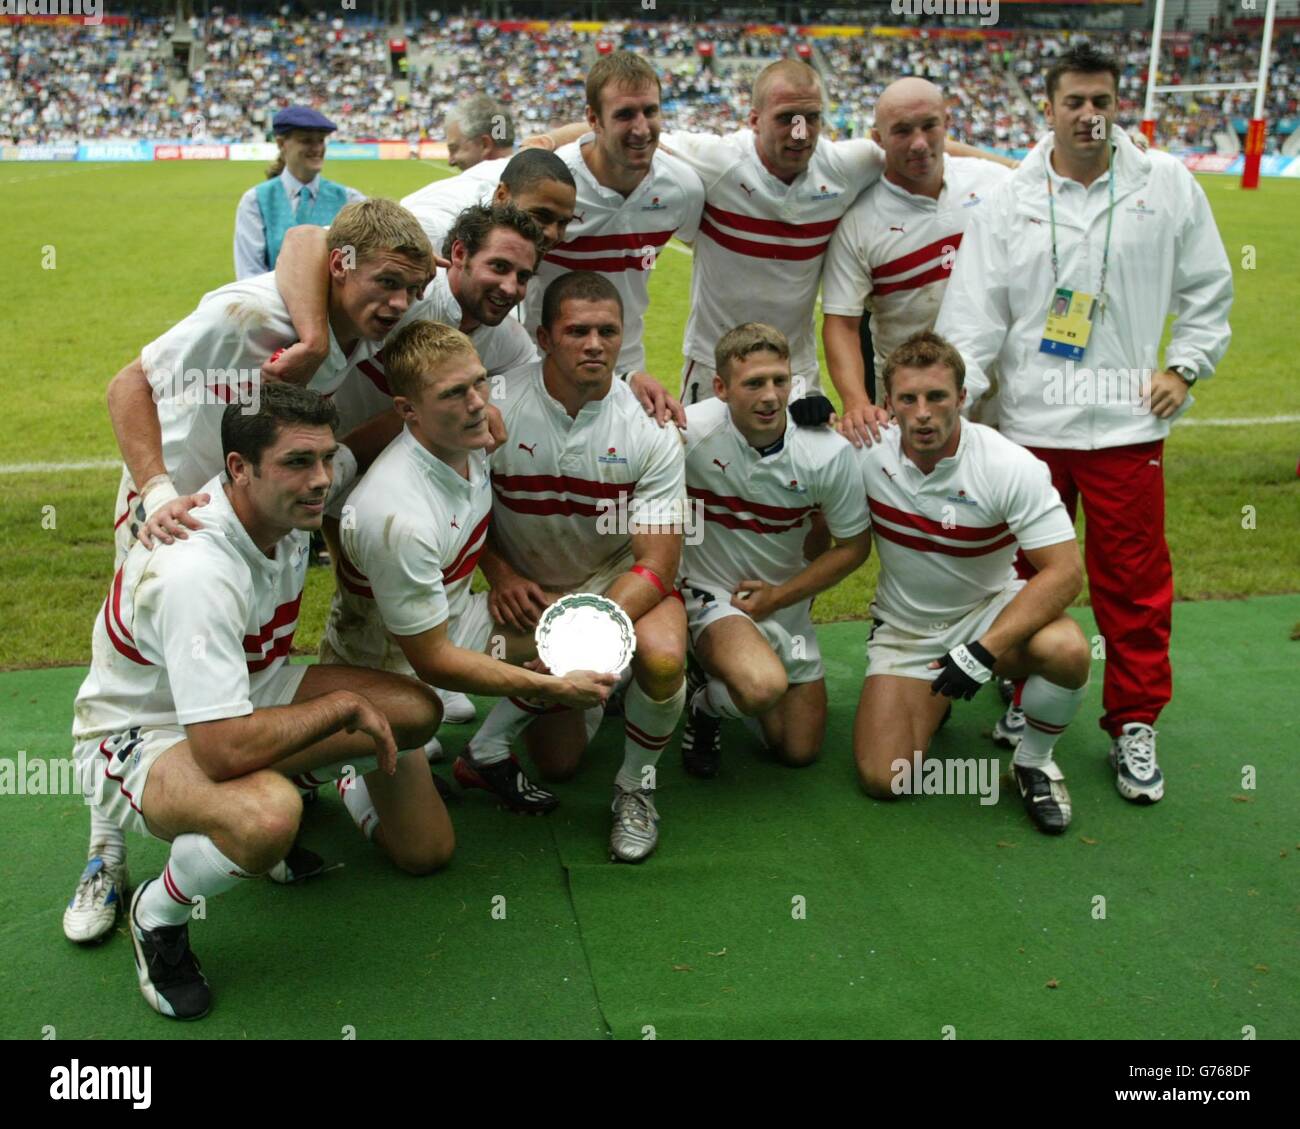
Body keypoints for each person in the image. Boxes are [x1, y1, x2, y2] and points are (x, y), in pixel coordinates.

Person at [62, 199, 433, 946]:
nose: (398, 305)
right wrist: (158, 491)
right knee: (151, 680)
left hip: (264, 507)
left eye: (413, 292)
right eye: (388, 283)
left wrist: (435, 405)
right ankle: (110, 846)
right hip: (181, 515)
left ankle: (235, 794)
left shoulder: (347, 342)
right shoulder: (248, 317)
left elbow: (307, 236)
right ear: (343, 265)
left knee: (249, 669)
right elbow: (126, 385)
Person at [72, 384, 452, 1019]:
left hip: (244, 694)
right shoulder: (197, 572)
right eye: (299, 463)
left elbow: (367, 442)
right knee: (268, 818)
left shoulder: (286, 502)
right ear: (237, 470)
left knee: (414, 711)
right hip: (140, 734)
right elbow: (220, 751)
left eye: (325, 459)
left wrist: (467, 388)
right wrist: (337, 711)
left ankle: (275, 803)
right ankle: (158, 915)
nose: (322, 480)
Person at [935, 44, 1233, 803]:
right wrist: (955, 402)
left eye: (1102, 101)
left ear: (1117, 105)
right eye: (1075, 102)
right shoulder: (1011, 196)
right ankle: (1024, 696)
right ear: (1049, 106)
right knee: (1023, 579)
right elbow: (974, 309)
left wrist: (1185, 365)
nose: (1090, 116)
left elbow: (1207, 284)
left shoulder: (1164, 183)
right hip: (1029, 425)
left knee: (1133, 583)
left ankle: (1134, 720)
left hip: (1127, 427)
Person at [539, 59, 1015, 405]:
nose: (801, 133)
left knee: (809, 502)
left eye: (812, 118)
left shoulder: (847, 166)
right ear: (752, 122)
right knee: (705, 491)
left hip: (795, 370)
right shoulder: (715, 160)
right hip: (712, 364)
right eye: (786, 118)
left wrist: (1016, 170)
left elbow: (923, 140)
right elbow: (627, 126)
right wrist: (540, 143)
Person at [317, 321, 616, 825]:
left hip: (449, 622)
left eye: (479, 382)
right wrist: (551, 687)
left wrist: (642, 385)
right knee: (425, 853)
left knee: (596, 631)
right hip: (387, 665)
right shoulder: (396, 516)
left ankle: (487, 751)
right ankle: (343, 767)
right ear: (408, 412)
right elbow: (433, 660)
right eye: (455, 393)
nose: (478, 402)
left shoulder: (469, 431)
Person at [463, 272, 688, 863]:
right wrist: (500, 571)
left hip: (617, 583)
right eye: (577, 331)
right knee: (560, 764)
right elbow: (456, 511)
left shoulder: (649, 426)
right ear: (543, 337)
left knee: (663, 658)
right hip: (527, 590)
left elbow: (658, 563)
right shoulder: (492, 405)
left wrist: (582, 629)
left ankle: (635, 788)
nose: (594, 344)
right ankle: (578, 697)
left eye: (608, 331)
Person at [853, 332, 1091, 836]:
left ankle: (1034, 761)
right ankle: (931, 697)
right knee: (884, 779)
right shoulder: (863, 452)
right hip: (906, 630)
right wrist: (808, 415)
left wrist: (983, 651)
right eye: (908, 399)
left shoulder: (1010, 465)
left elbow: (1066, 571)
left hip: (988, 614)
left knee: (1069, 650)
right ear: (888, 404)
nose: (922, 413)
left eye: (937, 397)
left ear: (963, 398)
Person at [678, 324, 871, 778]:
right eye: (753, 383)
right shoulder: (688, 434)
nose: (770, 396)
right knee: (762, 687)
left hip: (783, 607)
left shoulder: (827, 453)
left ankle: (717, 683)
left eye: (779, 381)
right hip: (711, 596)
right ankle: (705, 708)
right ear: (721, 388)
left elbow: (854, 548)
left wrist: (779, 599)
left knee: (797, 750)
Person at [821, 77, 1011, 445]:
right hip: (911, 401)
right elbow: (841, 324)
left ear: (947, 124)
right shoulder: (859, 222)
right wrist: (857, 401)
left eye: (929, 126)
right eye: (902, 131)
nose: (919, 143)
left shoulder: (991, 183)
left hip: (1000, 397)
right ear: (877, 139)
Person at [519, 52, 706, 384]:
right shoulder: (550, 184)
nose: (641, 128)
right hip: (539, 359)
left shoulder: (682, 188)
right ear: (593, 119)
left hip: (625, 365)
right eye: (624, 115)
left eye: (651, 111)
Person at [233, 106, 365, 280]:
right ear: (281, 144)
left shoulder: (350, 201)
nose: (317, 148)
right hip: (272, 306)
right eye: (307, 140)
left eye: (321, 140)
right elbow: (250, 276)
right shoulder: (256, 202)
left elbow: (352, 268)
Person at [445, 94, 515, 172]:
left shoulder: (452, 184)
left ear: (485, 145)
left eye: (454, 148)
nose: (450, 161)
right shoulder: (527, 177)